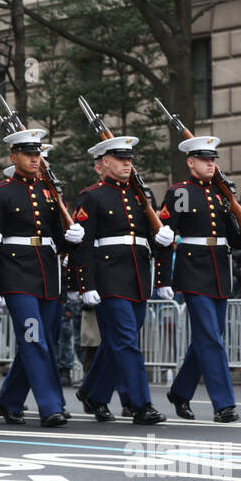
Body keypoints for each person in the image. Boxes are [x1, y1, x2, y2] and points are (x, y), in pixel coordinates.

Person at [0, 126, 81, 426]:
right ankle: (51, 405)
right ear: (14, 156)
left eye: (38, 153)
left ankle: (10, 400)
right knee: (33, 337)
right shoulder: (0, 194)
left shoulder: (49, 193)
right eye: (28, 153)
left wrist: (71, 238)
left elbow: (56, 241)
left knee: (41, 341)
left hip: (48, 277)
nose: (35, 158)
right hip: (16, 278)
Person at [70, 135, 168, 425]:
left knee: (117, 342)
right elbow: (83, 245)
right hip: (108, 278)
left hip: (137, 276)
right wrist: (83, 285)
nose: (127, 164)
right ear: (104, 163)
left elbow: (148, 237)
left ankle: (93, 393)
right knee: (126, 341)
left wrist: (160, 238)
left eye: (129, 160)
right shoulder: (92, 196)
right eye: (121, 160)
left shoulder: (141, 195)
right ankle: (140, 405)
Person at [157, 135, 241, 422]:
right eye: (204, 159)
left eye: (212, 159)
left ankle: (180, 392)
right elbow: (165, 235)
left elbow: (235, 237)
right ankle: (224, 404)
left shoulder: (221, 194)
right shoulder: (180, 192)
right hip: (192, 268)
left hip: (219, 268)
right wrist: (163, 278)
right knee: (210, 337)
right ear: (190, 162)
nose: (210, 163)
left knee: (210, 337)